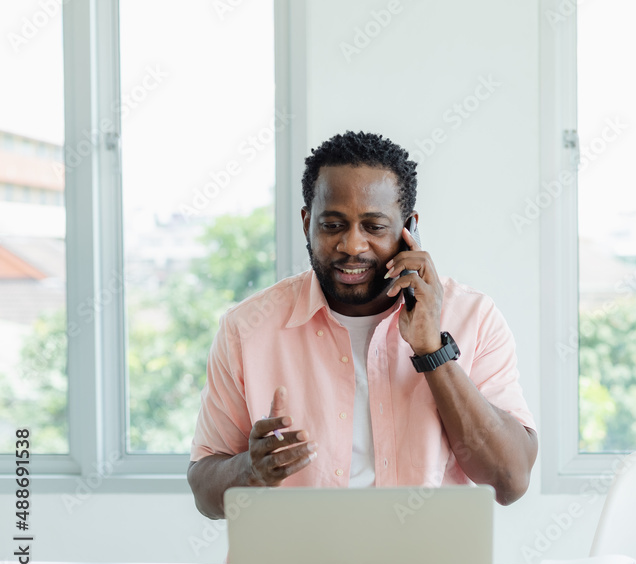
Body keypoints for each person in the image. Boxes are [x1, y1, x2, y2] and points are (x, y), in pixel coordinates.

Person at [186, 131, 537, 519]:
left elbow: (509, 481)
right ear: (307, 224)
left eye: (374, 226)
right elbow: (205, 492)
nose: (353, 245)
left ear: (410, 229)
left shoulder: (473, 317)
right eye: (334, 225)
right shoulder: (246, 329)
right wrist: (250, 471)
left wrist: (433, 350)